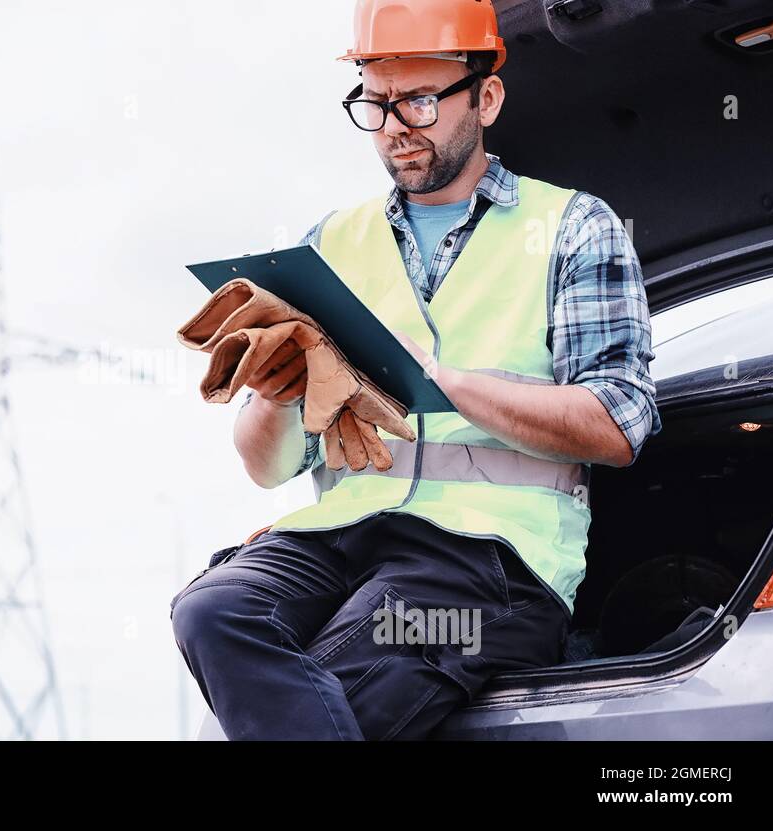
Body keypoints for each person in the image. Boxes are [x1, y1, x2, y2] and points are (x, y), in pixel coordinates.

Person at [169, 0, 660, 740]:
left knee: (337, 680)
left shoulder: (571, 228)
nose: (396, 123)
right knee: (209, 610)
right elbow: (266, 468)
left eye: (420, 100)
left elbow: (620, 422)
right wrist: (280, 396)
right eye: (376, 101)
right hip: (344, 537)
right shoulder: (332, 242)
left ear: (485, 97)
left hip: (494, 567)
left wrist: (445, 378)